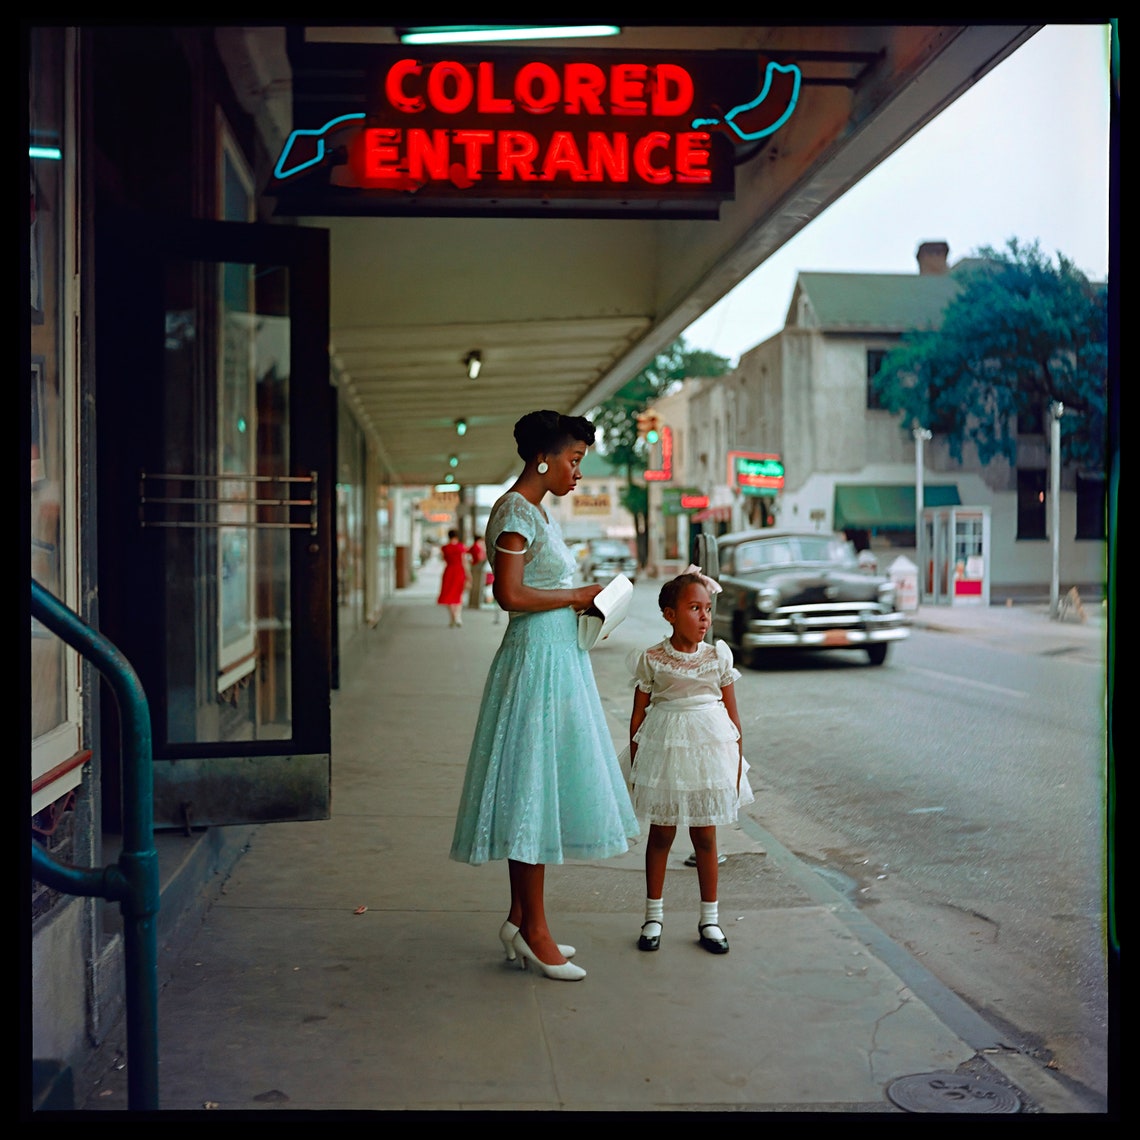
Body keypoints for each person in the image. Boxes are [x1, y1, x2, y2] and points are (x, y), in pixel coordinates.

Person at [450, 410, 639, 981]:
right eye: (574, 460)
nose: (578, 472)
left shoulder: (535, 513)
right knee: (531, 789)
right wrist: (579, 592)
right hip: (535, 661)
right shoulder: (514, 511)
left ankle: (519, 918)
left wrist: (584, 601)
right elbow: (507, 595)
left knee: (540, 787)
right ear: (544, 458)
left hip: (557, 659)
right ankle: (534, 930)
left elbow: (537, 586)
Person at [619, 567, 754, 955]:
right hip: (665, 749)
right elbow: (638, 715)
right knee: (661, 834)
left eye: (707, 609)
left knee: (705, 835)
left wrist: (734, 765)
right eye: (695, 608)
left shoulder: (718, 657)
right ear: (669, 614)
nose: (704, 618)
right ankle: (653, 916)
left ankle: (709, 919)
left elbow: (733, 717)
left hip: (709, 752)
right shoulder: (653, 659)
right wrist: (638, 764)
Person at [437, 529, 469, 627]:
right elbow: (464, 561)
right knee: (458, 595)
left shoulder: (444, 548)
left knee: (448, 596)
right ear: (457, 536)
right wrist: (468, 575)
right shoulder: (461, 547)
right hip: (459, 571)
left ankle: (453, 617)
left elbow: (443, 559)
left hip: (449, 571)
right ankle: (458, 617)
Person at [466, 534, 486, 610]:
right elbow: (479, 557)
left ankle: (474, 602)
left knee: (475, 585)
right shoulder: (477, 547)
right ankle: (475, 603)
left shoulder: (474, 546)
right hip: (477, 567)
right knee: (476, 585)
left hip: (475, 566)